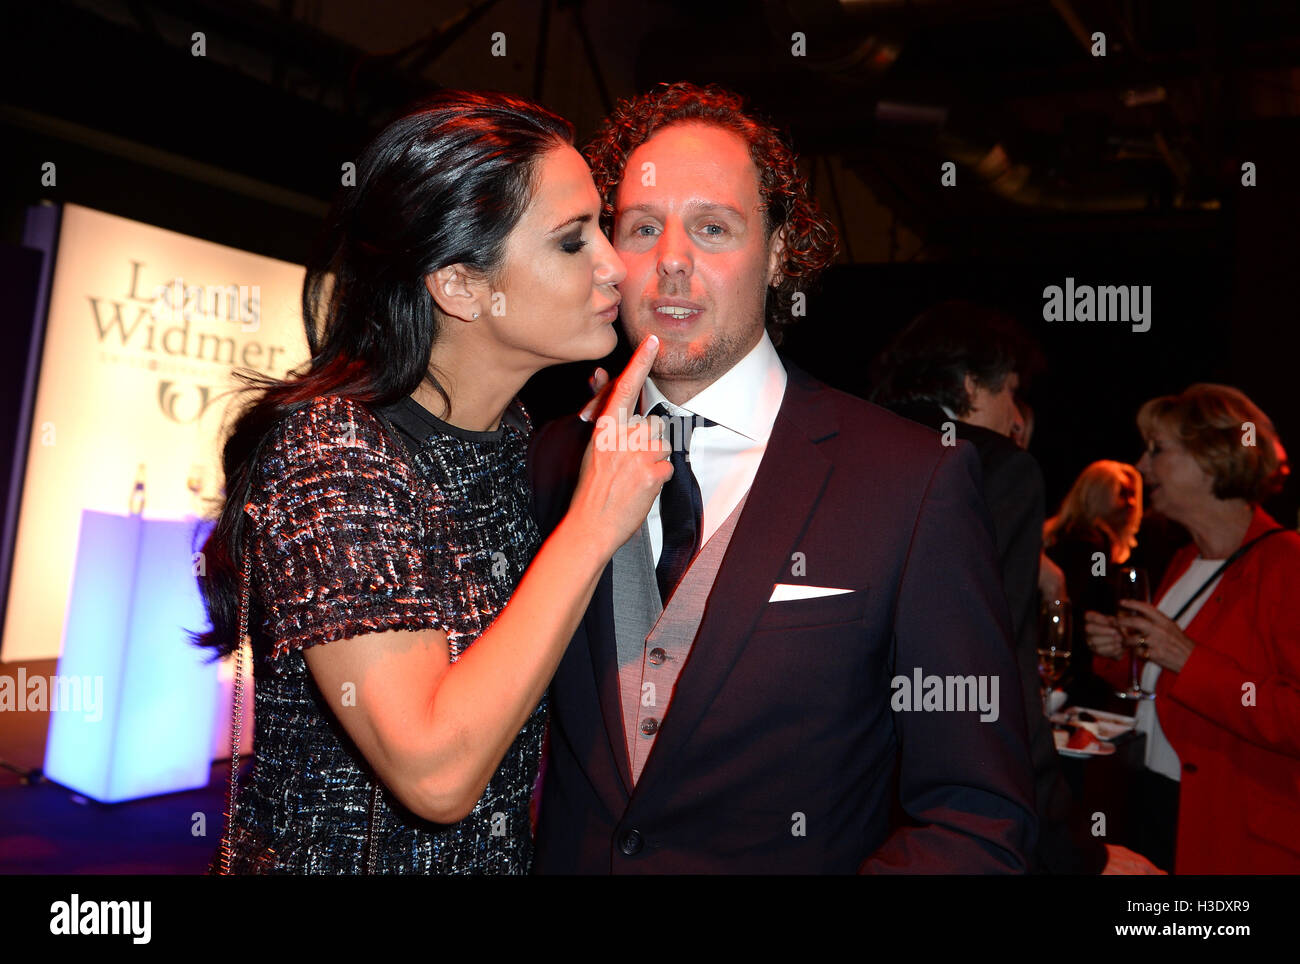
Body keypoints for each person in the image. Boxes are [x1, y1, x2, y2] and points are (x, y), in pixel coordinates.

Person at [527, 82, 1037, 873]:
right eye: (641, 227)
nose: (671, 261)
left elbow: (975, 817)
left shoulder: (911, 483)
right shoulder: (548, 461)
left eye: (713, 227)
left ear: (776, 254)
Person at [190, 90, 674, 874]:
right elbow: (436, 774)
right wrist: (592, 522)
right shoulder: (333, 453)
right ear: (460, 287)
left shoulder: (516, 441)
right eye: (571, 241)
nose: (616, 264)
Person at [870, 303, 1156, 875]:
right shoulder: (991, 464)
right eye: (1011, 394)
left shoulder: (843, 442)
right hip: (944, 814)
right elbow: (996, 677)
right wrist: (1075, 850)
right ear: (974, 385)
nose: (1015, 417)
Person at [1085, 384, 1300, 873]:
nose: (1141, 466)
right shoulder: (1186, 559)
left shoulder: (1287, 563)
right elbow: (1166, 685)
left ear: (1213, 457)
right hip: (1158, 804)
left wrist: (1188, 658)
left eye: (1158, 450)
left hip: (1235, 835)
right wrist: (1123, 655)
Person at [1043, 460, 1143, 707]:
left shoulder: (1059, 532)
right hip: (1074, 661)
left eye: (1133, 495)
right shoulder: (1094, 544)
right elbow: (1093, 593)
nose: (1131, 504)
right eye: (1123, 494)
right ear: (1099, 494)